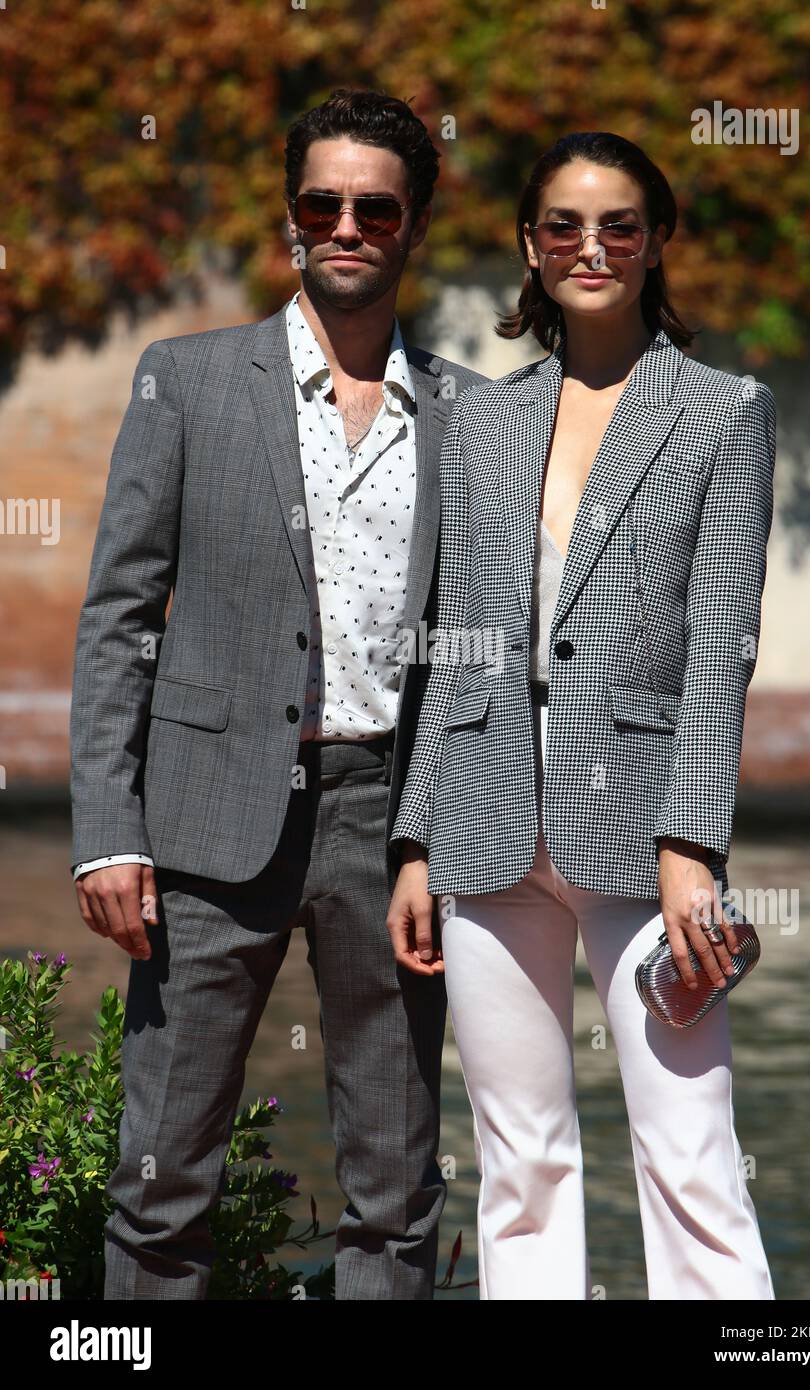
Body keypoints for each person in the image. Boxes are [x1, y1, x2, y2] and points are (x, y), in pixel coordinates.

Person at [69, 88, 485, 1300]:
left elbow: (473, 645)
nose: (346, 223)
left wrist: (443, 835)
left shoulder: (470, 413)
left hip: (390, 825)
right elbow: (118, 617)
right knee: (160, 1181)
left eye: (373, 205)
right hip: (205, 819)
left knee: (397, 1189)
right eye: (322, 202)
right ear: (291, 220)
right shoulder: (186, 381)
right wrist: (106, 831)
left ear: (411, 223)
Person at [386, 131, 777, 1301]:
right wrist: (413, 839)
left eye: (618, 225)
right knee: (518, 1166)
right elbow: (451, 640)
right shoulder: (479, 421)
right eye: (563, 225)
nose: (590, 247)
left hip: (646, 839)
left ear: (654, 244)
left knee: (691, 1153)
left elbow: (721, 650)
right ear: (528, 245)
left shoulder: (722, 411)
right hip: (482, 826)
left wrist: (689, 848)